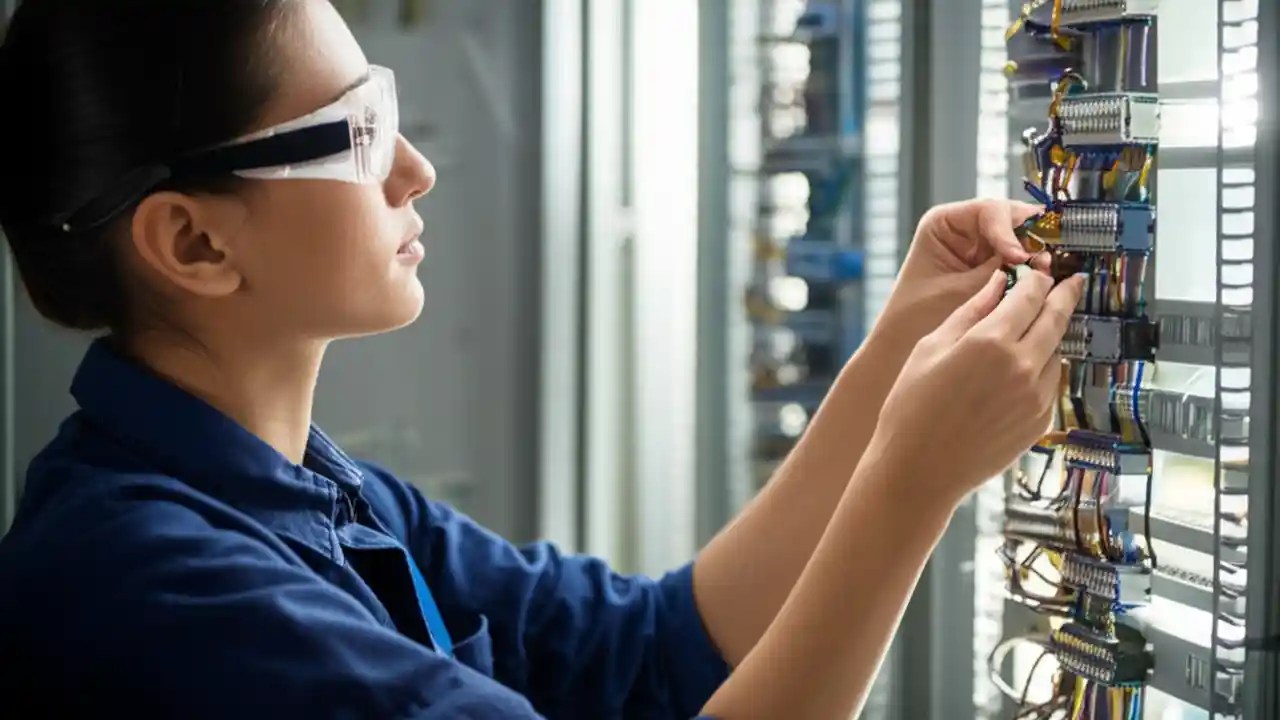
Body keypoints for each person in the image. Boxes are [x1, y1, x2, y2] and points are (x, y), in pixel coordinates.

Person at [0, 1, 1083, 718]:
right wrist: (909, 486)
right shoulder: (149, 590)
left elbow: (661, 652)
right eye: (355, 132)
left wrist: (894, 355)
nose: (415, 170)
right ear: (194, 242)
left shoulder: (324, 497)